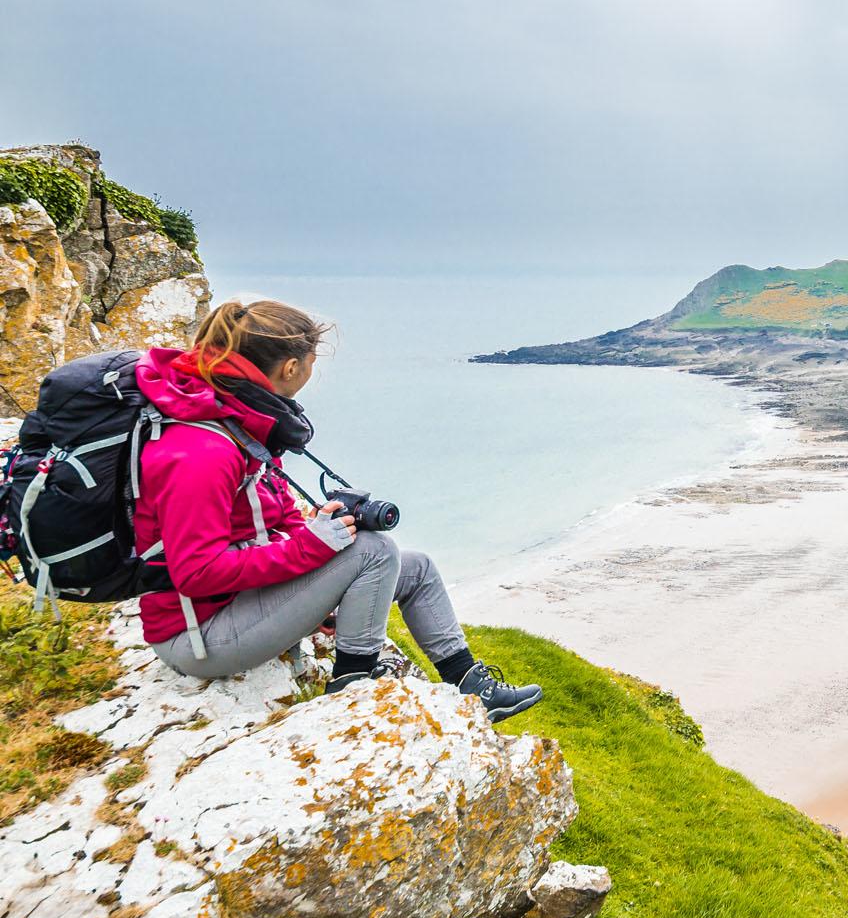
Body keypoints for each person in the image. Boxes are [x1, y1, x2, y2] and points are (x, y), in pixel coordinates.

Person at [131, 298, 542, 721]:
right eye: (311, 363)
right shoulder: (204, 449)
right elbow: (197, 572)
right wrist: (310, 549)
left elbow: (268, 514)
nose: (311, 374)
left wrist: (315, 544)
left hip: (239, 605)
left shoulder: (233, 420)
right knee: (374, 552)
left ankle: (471, 686)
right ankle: (353, 690)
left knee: (414, 567)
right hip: (200, 638)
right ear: (291, 368)